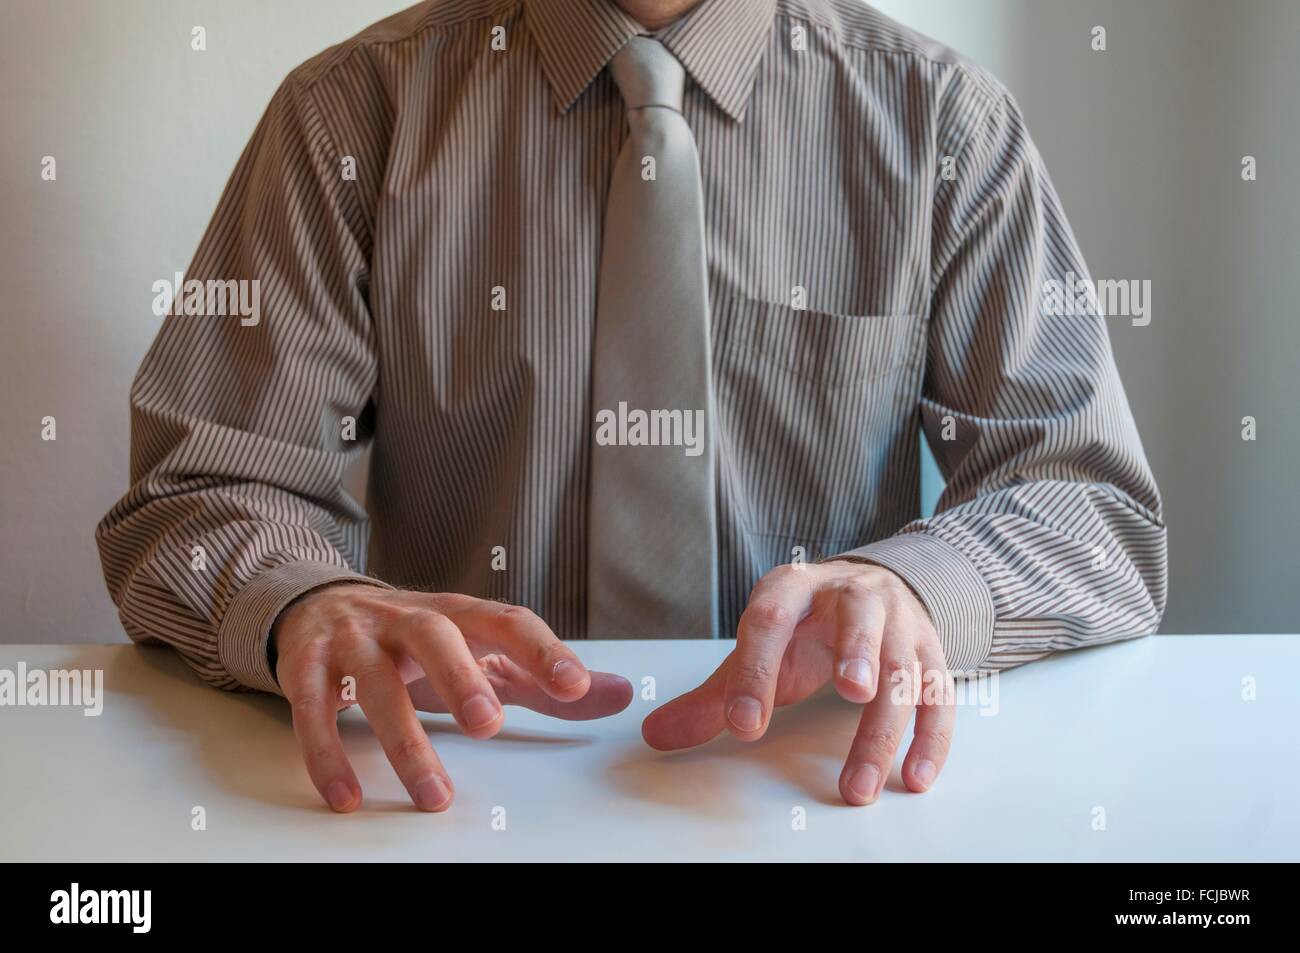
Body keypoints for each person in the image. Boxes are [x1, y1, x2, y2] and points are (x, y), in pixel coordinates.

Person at [96, 0, 1168, 812]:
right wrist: (300, 602)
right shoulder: (346, 117)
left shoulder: (946, 125)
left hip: (813, 793)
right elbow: (197, 494)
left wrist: (916, 588)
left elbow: (1087, 505)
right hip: (446, 795)